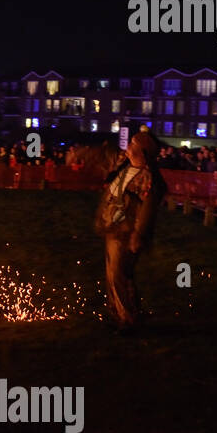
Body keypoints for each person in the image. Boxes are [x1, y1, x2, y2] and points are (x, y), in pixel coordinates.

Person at [94, 127, 167, 331]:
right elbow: (107, 159)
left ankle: (128, 320)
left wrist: (138, 234)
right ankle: (117, 312)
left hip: (126, 234)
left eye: (133, 143)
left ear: (142, 151)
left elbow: (147, 210)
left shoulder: (146, 178)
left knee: (119, 275)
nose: (129, 145)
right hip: (113, 229)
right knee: (113, 275)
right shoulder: (126, 166)